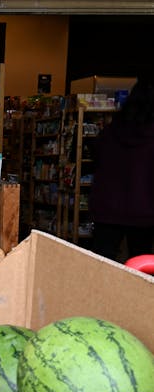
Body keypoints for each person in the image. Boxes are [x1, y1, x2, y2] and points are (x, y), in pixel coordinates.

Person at [90, 75, 154, 262]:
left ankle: (95, 292)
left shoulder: (111, 131)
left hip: (107, 208)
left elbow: (96, 156)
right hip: (144, 211)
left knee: (101, 262)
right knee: (140, 265)